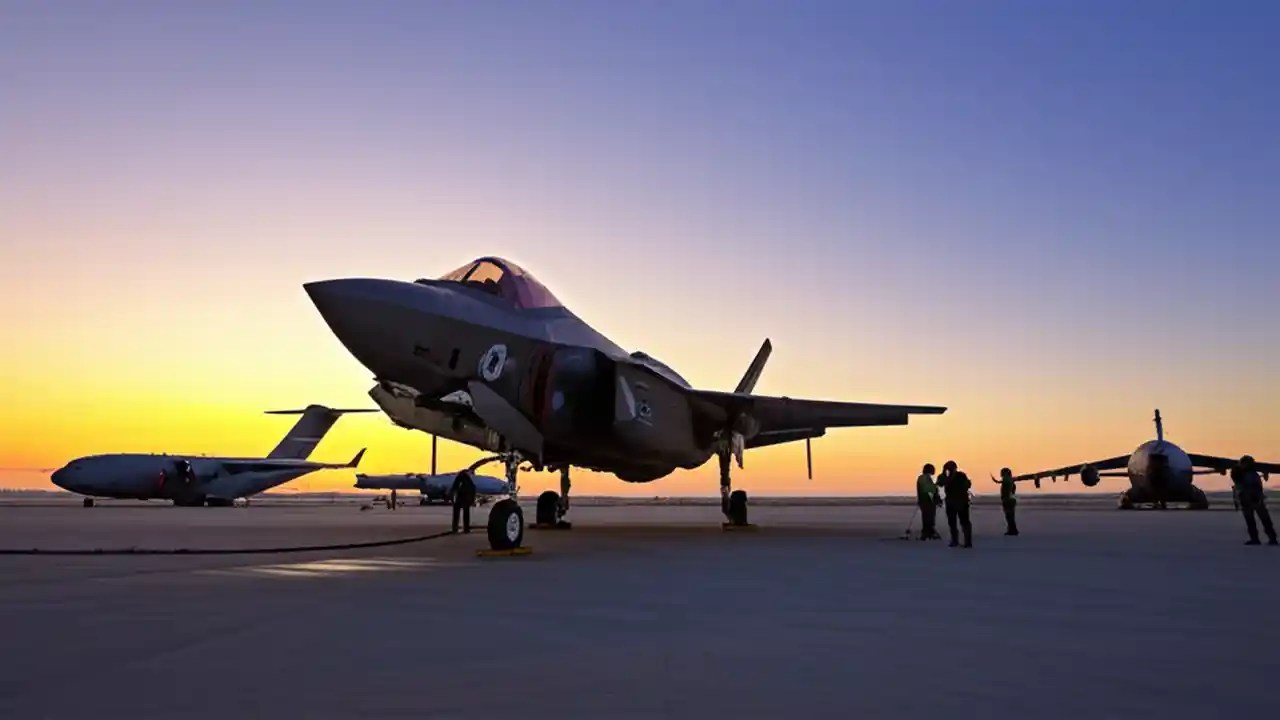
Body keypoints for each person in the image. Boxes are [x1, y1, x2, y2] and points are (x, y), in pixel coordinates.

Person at [1231, 456, 1276, 546]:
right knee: (1258, 520)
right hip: (1250, 499)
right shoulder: (1247, 475)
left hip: (1251, 499)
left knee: (1257, 520)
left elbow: (1241, 487)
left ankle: (1262, 538)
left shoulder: (1243, 475)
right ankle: (1266, 538)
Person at [937, 460, 972, 548]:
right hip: (958, 502)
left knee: (960, 522)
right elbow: (940, 483)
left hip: (957, 502)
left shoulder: (959, 476)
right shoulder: (958, 475)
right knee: (959, 522)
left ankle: (960, 541)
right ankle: (964, 542)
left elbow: (940, 483)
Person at [916, 463, 941, 540]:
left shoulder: (923, 478)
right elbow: (929, 490)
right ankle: (927, 533)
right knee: (928, 517)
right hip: (927, 501)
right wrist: (936, 498)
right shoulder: (924, 478)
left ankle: (928, 533)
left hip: (925, 501)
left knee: (928, 517)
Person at [992, 467, 1018, 536]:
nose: (1001, 474)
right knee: (1010, 516)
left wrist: (994, 479)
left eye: (1002, 472)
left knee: (1009, 516)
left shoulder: (1007, 479)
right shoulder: (1010, 479)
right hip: (1010, 500)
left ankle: (1012, 530)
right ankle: (1012, 530)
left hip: (1008, 500)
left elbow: (998, 482)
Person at [450, 469, 477, 534]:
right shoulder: (465, 479)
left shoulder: (461, 478)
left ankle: (455, 528)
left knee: (458, 513)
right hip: (463, 497)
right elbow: (472, 489)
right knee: (465, 513)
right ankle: (465, 528)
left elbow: (454, 488)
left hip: (460, 497)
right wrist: (472, 499)